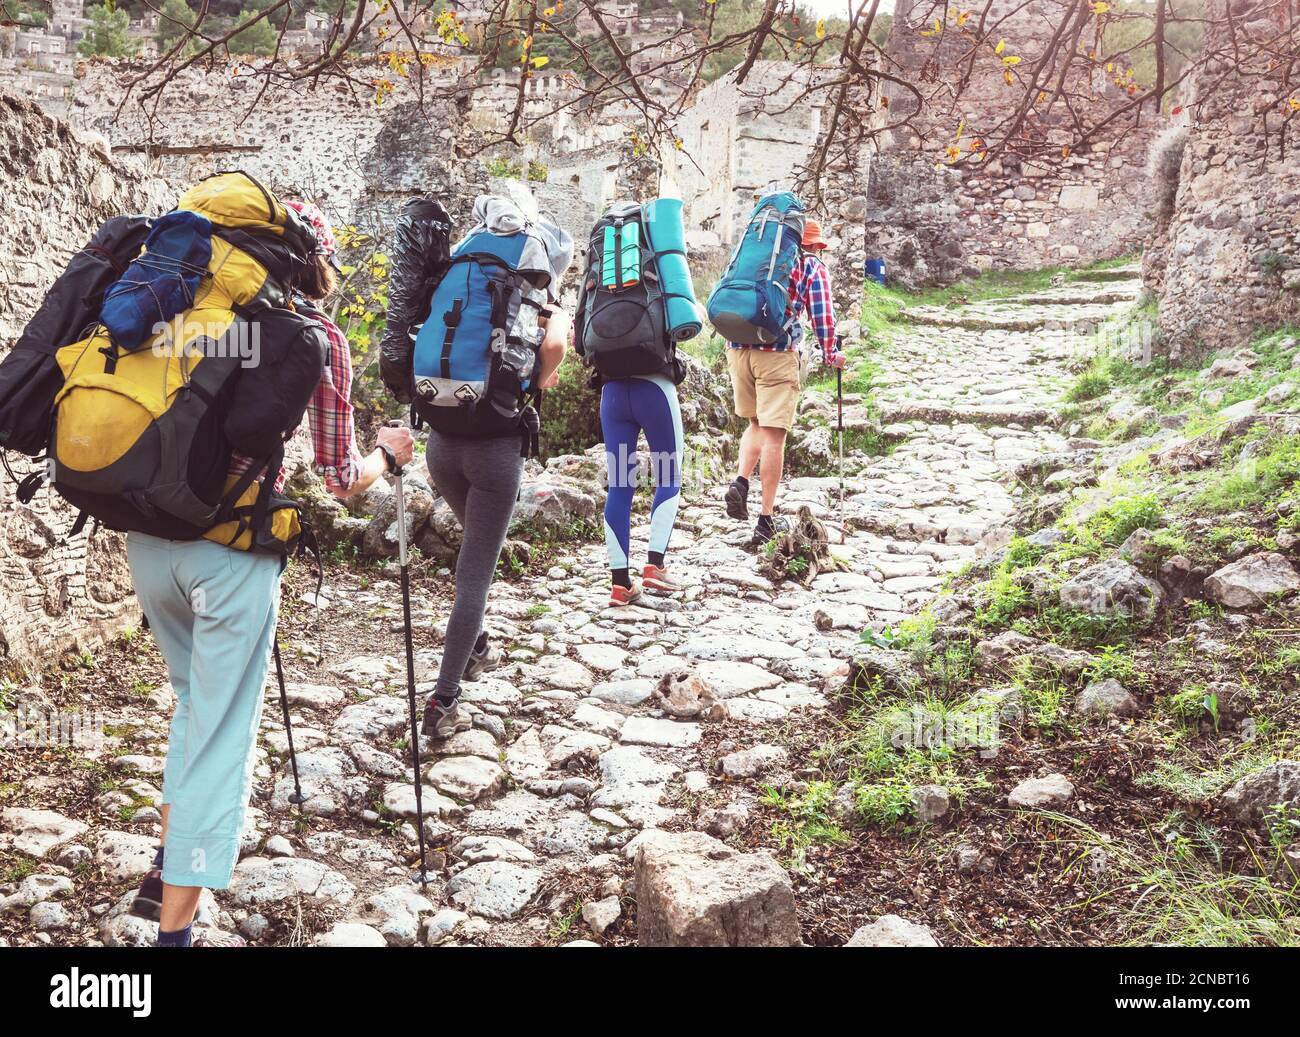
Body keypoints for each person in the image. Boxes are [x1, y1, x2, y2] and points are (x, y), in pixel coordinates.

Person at [129, 199, 415, 948]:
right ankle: (171, 939)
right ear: (309, 262)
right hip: (228, 556)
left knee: (195, 703)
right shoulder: (314, 337)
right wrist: (389, 455)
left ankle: (166, 865)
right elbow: (339, 476)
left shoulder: (177, 308)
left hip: (146, 538)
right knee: (223, 734)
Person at [389, 200, 573, 739]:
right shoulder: (535, 298)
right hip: (494, 452)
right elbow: (557, 346)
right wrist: (542, 377)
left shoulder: (463, 275)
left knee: (474, 549)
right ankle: (444, 699)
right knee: (475, 578)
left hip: (442, 446)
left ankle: (478, 645)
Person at [723, 217, 844, 546]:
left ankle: (740, 481)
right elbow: (822, 315)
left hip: (738, 351)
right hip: (777, 354)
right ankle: (765, 520)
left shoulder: (755, 256)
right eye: (818, 246)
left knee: (755, 424)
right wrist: (831, 353)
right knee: (775, 436)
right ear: (811, 244)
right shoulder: (810, 266)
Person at [600, 368, 686, 607]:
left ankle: (621, 585)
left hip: (612, 392)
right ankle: (655, 565)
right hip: (655, 389)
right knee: (669, 477)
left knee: (619, 483)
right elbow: (688, 329)